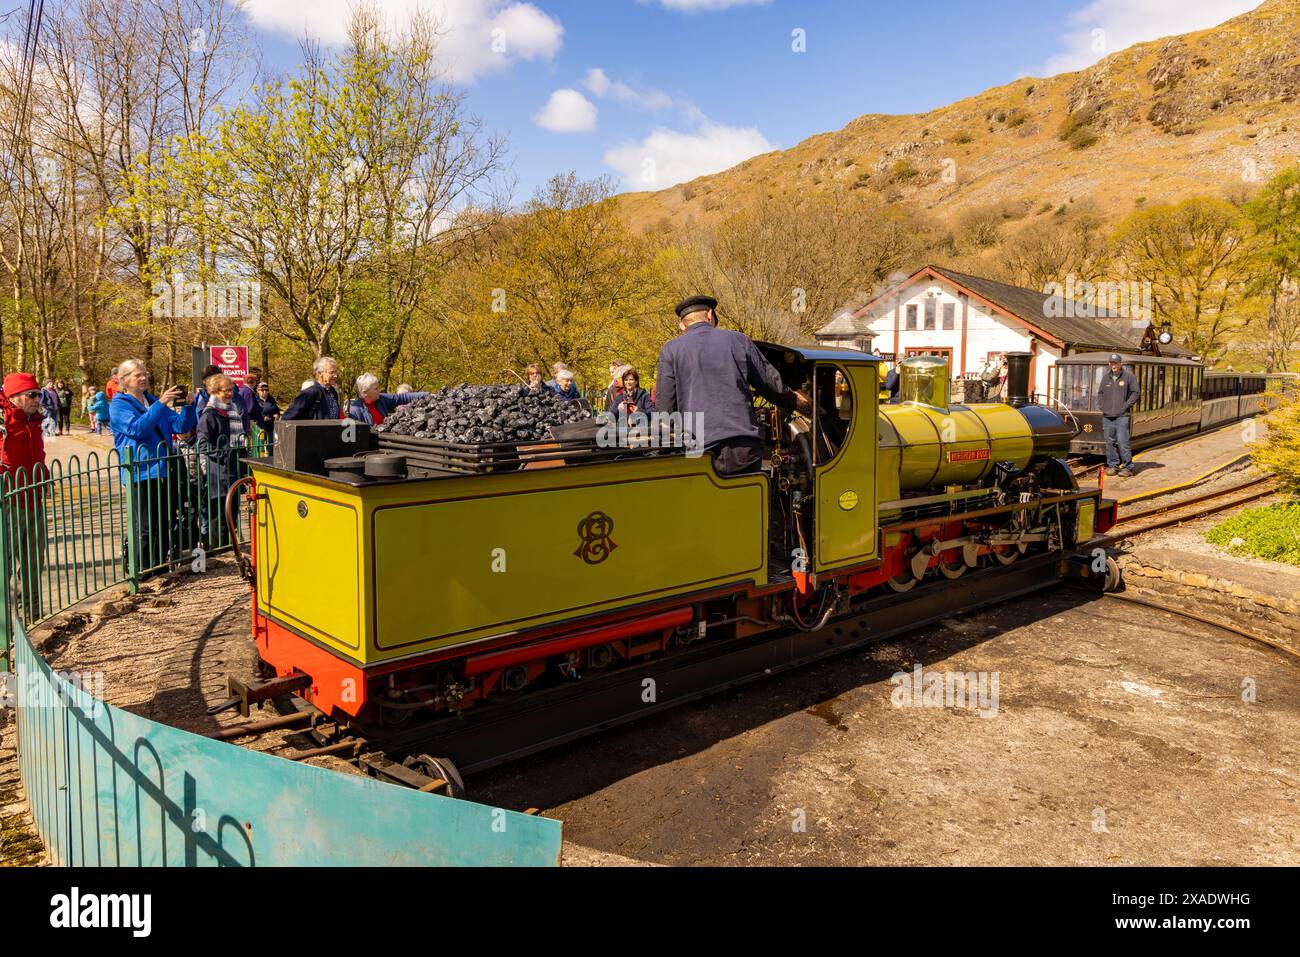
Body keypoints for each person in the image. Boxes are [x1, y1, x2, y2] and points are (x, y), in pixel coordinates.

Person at [656, 295, 810, 476]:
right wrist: (797, 402)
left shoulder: (670, 350)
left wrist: (663, 448)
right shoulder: (738, 340)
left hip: (698, 447)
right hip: (741, 444)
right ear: (709, 314)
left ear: (682, 325)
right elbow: (769, 384)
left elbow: (665, 407)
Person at [109, 358, 198, 575]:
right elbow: (137, 429)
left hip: (163, 469)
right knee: (146, 527)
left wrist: (186, 405)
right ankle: (143, 573)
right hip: (140, 472)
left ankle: (160, 571)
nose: (143, 378)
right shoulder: (119, 405)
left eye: (144, 374)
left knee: (164, 523)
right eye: (137, 375)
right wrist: (161, 404)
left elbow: (181, 427)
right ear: (123, 380)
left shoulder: (151, 401)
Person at [0, 372, 50, 619]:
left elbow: (38, 455)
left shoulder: (34, 421)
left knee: (33, 562)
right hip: (10, 500)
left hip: (34, 498)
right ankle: (3, 622)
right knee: (4, 562)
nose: (36, 399)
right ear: (14, 397)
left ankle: (32, 615)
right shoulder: (4, 422)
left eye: (38, 394)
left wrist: (45, 477)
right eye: (31, 395)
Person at [195, 374, 248, 549]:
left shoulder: (231, 410)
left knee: (232, 513)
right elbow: (202, 444)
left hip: (233, 470)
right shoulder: (209, 414)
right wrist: (224, 456)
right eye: (226, 391)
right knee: (219, 517)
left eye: (231, 390)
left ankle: (231, 548)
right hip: (218, 473)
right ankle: (219, 550)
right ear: (215, 391)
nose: (230, 394)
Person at [1097, 353, 1140, 477]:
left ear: (1121, 363)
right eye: (1111, 363)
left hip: (1122, 416)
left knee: (1122, 442)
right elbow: (1100, 393)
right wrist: (1102, 406)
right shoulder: (1105, 378)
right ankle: (1113, 466)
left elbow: (1135, 393)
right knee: (1109, 442)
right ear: (1109, 364)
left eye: (1115, 363)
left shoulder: (1129, 377)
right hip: (1107, 416)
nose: (1113, 365)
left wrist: (1126, 405)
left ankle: (1128, 467)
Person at [346, 373, 429, 426]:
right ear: (365, 392)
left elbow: (402, 397)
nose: (379, 390)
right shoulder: (354, 411)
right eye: (376, 388)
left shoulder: (382, 399)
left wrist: (427, 395)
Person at [252, 381, 281, 452]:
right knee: (259, 448)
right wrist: (262, 417)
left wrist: (277, 415)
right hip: (259, 427)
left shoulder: (271, 399)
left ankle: (271, 460)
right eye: (262, 390)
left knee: (271, 446)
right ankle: (259, 461)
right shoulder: (254, 400)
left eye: (266, 390)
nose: (265, 392)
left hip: (270, 427)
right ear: (258, 390)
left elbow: (276, 410)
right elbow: (252, 412)